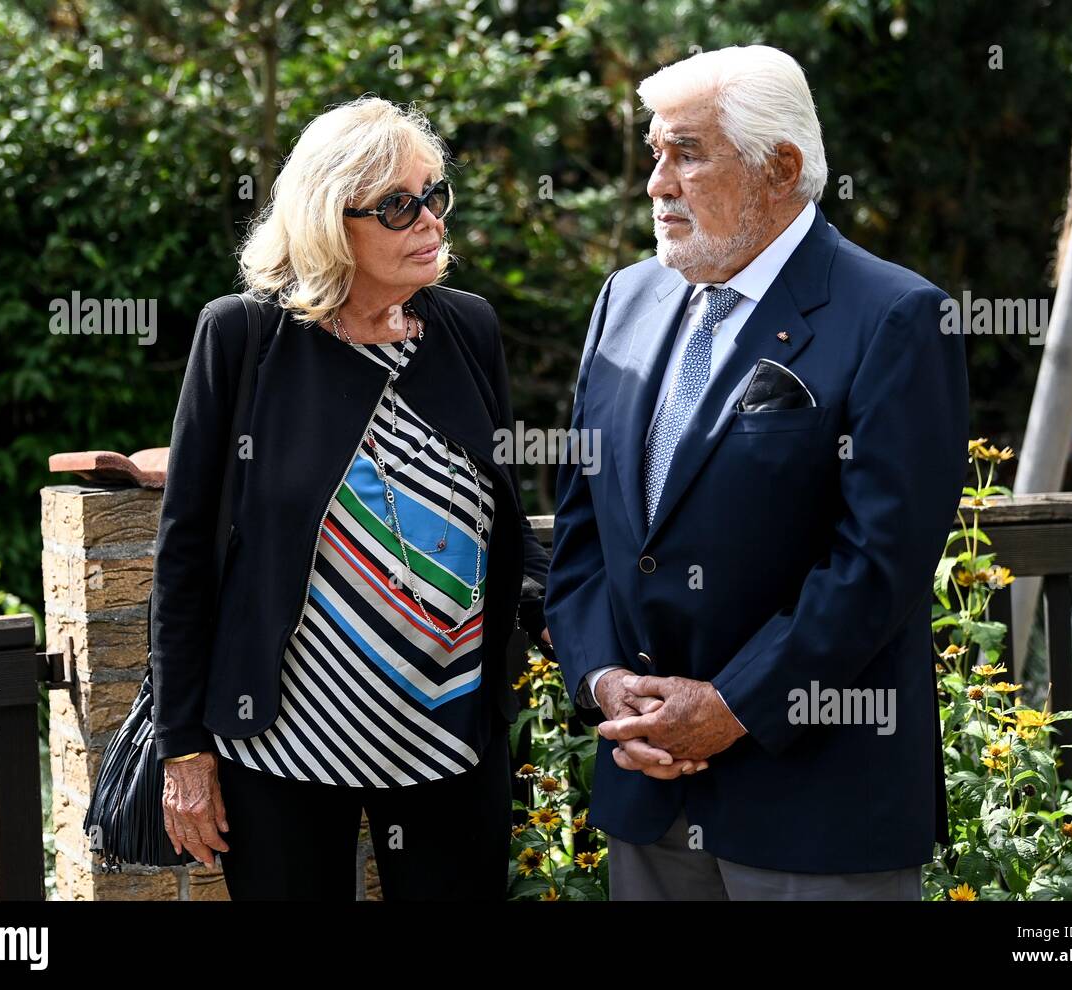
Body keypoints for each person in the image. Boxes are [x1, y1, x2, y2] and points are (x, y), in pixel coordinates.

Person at [545, 45, 969, 900]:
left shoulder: (895, 315)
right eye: (654, 153)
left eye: (688, 153)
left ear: (780, 169)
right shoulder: (622, 301)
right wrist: (604, 683)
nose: (658, 183)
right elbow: (584, 535)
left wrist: (731, 707)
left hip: (818, 809)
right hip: (650, 793)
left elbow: (876, 568)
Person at [150, 96, 550, 900]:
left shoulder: (468, 329)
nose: (431, 220)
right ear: (330, 219)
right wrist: (184, 746)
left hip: (449, 737)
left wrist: (574, 634)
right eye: (400, 206)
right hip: (286, 743)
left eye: (435, 194)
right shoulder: (244, 337)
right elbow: (186, 549)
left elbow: (506, 515)